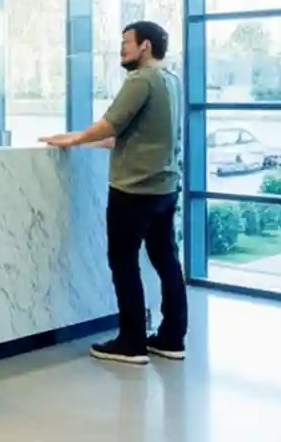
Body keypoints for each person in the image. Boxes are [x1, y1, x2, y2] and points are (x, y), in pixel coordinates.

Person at [41, 21, 187, 366]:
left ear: (145, 46)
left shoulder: (140, 81)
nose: (122, 49)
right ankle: (171, 337)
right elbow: (142, 133)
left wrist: (74, 139)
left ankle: (132, 341)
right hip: (165, 187)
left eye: (126, 43)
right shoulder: (172, 80)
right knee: (166, 260)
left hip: (134, 189)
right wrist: (93, 139)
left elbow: (111, 123)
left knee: (123, 262)